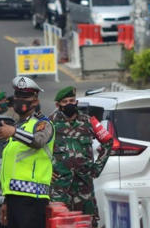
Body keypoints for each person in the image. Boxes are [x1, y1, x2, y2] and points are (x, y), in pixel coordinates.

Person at [0, 76, 54, 228]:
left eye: (25, 97)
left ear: (35, 101)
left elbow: (38, 141)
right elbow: (12, 169)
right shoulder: (18, 127)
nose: (20, 100)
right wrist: (6, 200)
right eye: (18, 96)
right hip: (15, 199)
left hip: (33, 198)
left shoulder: (43, 123)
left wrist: (13, 132)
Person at [50, 86, 112, 227]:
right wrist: (46, 170)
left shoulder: (89, 121)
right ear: (58, 105)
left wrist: (97, 168)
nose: (69, 104)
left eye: (72, 100)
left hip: (84, 185)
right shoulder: (49, 123)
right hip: (60, 187)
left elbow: (108, 141)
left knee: (87, 222)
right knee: (60, 223)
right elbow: (39, 148)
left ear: (76, 102)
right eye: (65, 102)